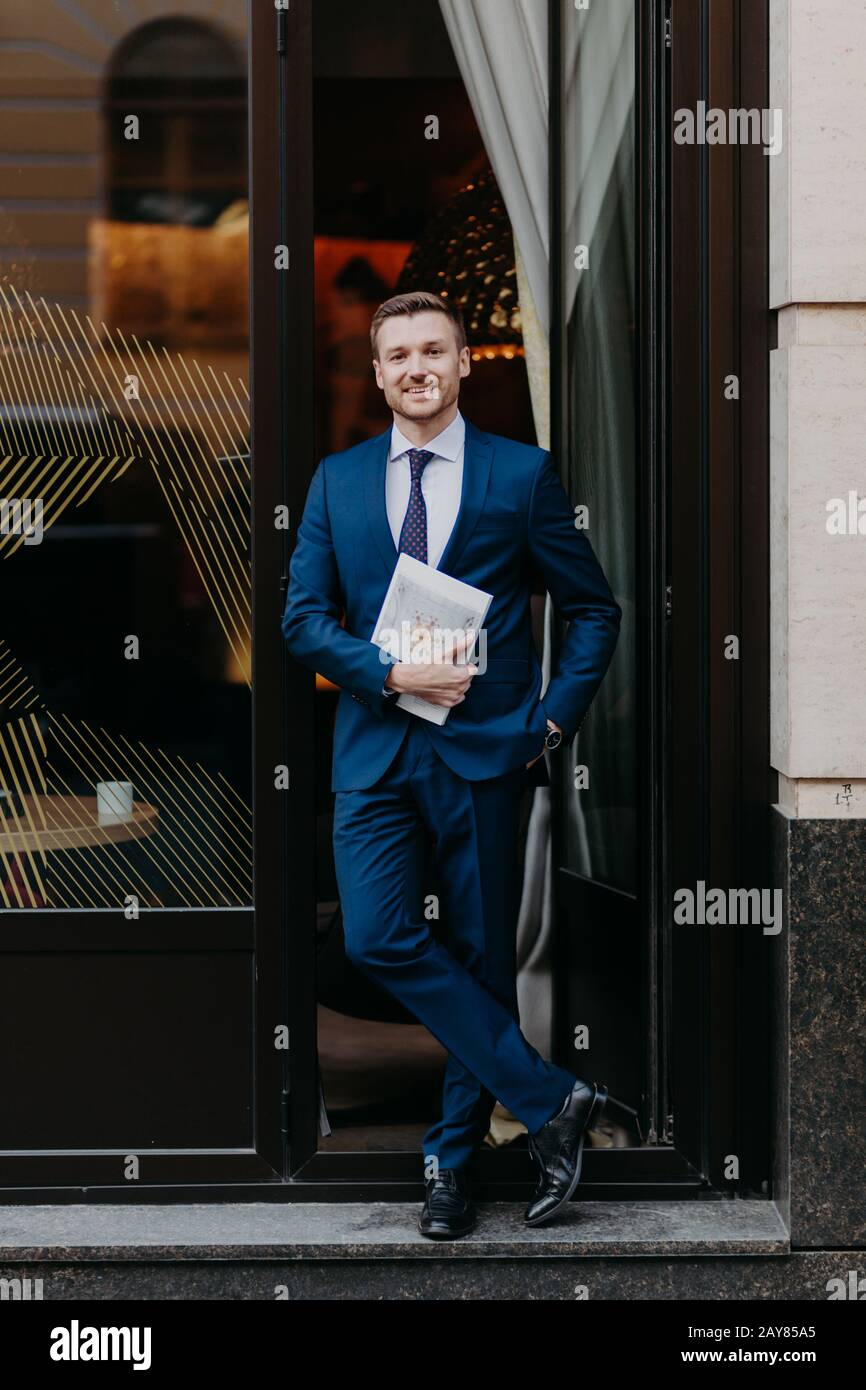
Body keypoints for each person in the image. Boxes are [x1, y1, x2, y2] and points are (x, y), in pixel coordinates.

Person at [281, 291, 621, 1237]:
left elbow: (593, 609)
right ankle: (550, 1097)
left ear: (465, 363)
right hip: (376, 752)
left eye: (434, 350)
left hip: (484, 755)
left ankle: (450, 1168)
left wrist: (550, 725)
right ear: (379, 373)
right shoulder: (338, 481)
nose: (416, 368)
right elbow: (302, 621)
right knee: (377, 936)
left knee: (479, 959)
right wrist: (389, 671)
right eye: (398, 356)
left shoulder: (521, 475)